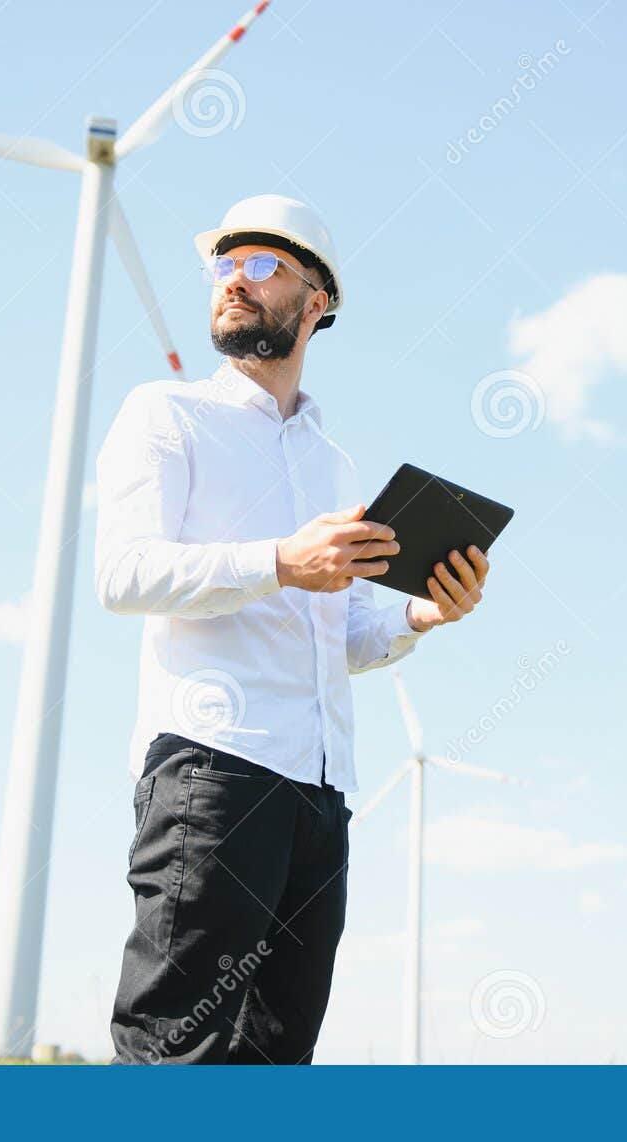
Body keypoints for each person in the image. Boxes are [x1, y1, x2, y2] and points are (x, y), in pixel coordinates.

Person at [95, 194, 492, 1063]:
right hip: (213, 769)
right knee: (176, 1054)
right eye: (224, 265)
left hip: (321, 795)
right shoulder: (164, 415)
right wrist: (279, 560)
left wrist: (425, 612)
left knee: (277, 1066)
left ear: (318, 301)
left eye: (263, 264)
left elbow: (340, 634)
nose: (236, 279)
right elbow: (122, 576)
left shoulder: (334, 462)